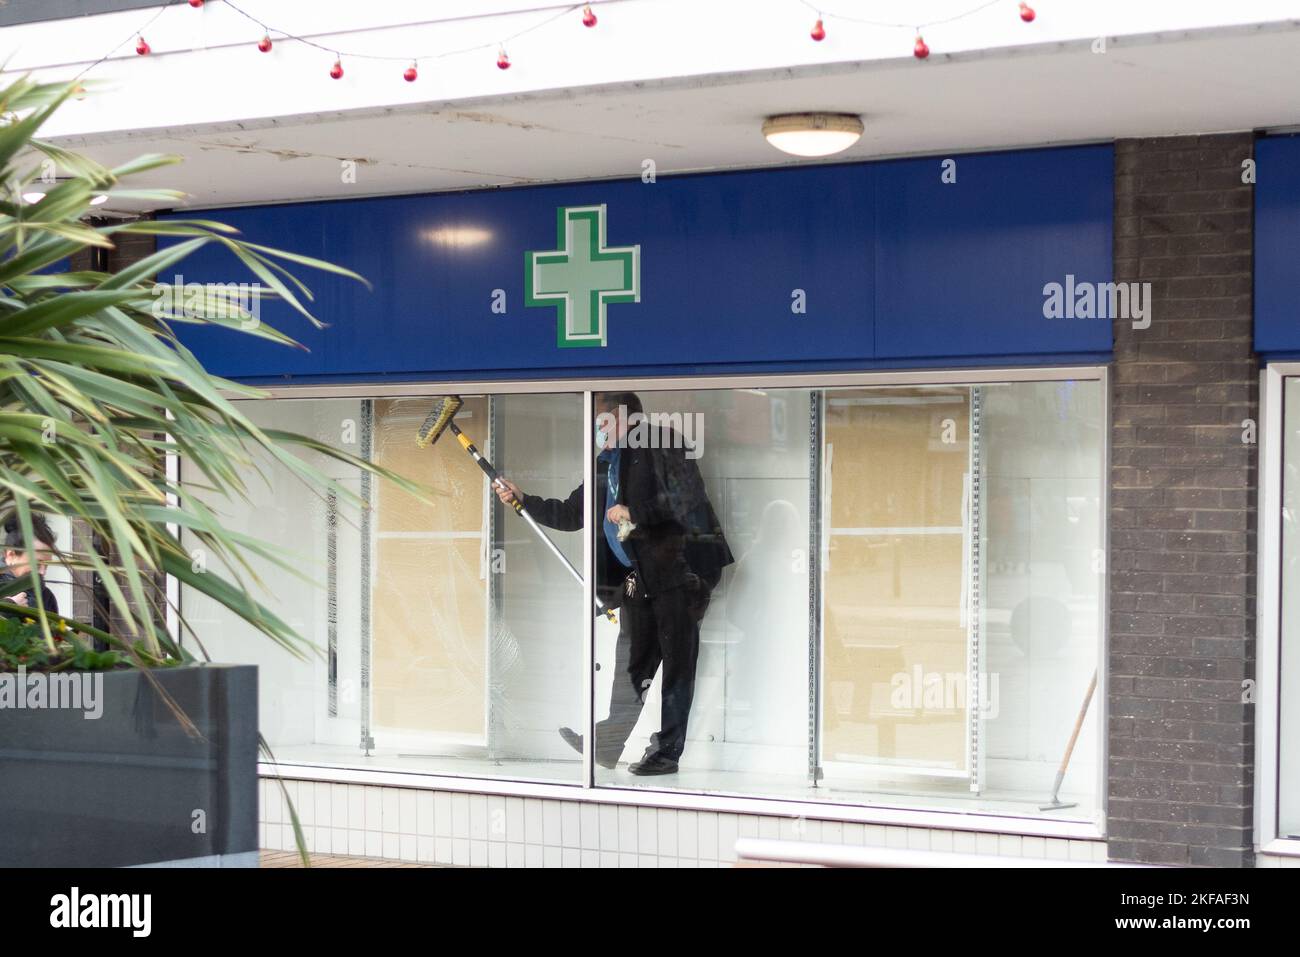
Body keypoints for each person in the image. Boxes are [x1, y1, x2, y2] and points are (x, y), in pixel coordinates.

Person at [494, 392, 733, 775]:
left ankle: (667, 753)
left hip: (682, 571)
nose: (594, 429)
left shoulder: (663, 441)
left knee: (676, 663)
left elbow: (685, 499)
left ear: (622, 418)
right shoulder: (606, 461)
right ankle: (606, 744)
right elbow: (574, 513)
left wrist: (634, 512)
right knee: (631, 664)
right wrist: (523, 499)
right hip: (641, 575)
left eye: (598, 419)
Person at [0, 512, 60, 618]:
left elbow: (53, 633)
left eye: (46, 566)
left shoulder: (46, 596)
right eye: (37, 564)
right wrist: (9, 607)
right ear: (11, 556)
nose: (42, 572)